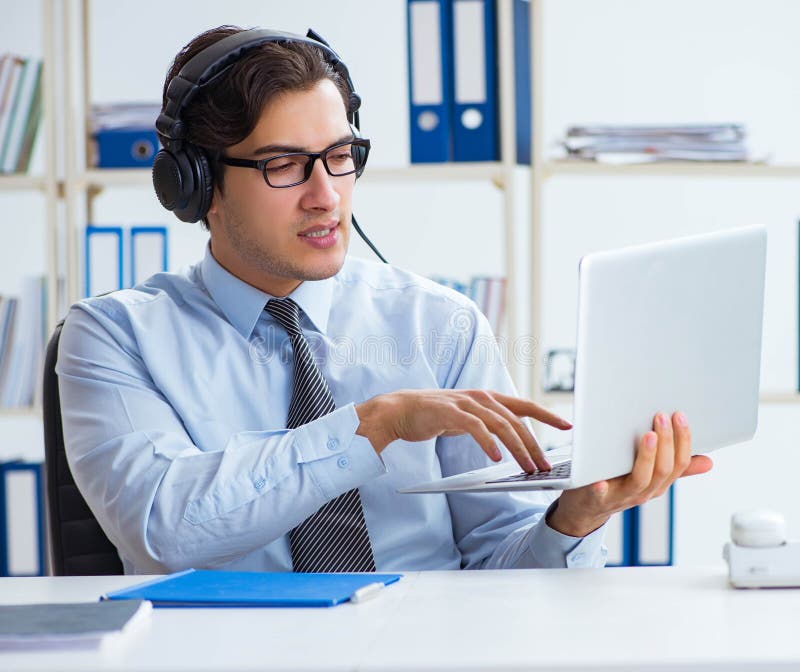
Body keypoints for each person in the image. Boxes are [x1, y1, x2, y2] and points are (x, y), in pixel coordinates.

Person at [56, 25, 712, 575]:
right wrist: (373, 426)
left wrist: (575, 518)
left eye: (340, 156)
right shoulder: (113, 336)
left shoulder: (437, 324)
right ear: (195, 184)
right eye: (284, 165)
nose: (326, 195)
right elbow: (165, 528)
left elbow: (503, 574)